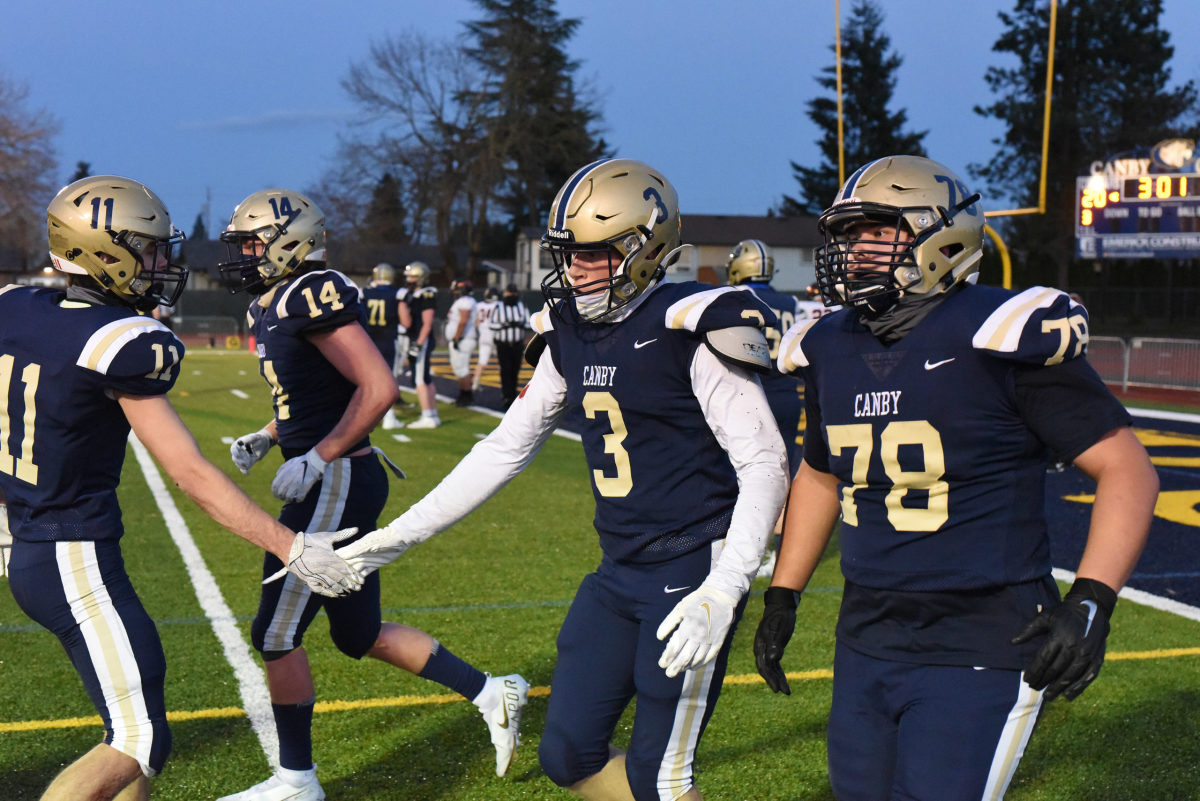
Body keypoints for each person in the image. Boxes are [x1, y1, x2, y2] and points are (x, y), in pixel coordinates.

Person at [340, 158, 789, 800]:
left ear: (644, 248)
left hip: (693, 563)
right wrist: (393, 539)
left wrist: (726, 584)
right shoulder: (568, 331)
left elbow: (764, 464)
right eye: (567, 254)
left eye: (593, 254)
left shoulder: (689, 325)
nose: (574, 269)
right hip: (618, 568)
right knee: (567, 753)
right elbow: (504, 448)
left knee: (662, 778)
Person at [753, 155, 1159, 801]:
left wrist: (1091, 599)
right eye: (850, 234)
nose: (856, 250)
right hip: (868, 630)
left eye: (876, 231)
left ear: (938, 235)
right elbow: (821, 473)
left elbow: (1127, 469)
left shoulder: (1000, 333)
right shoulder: (830, 343)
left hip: (984, 632)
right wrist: (783, 594)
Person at [0, 175, 361, 801]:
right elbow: (190, 474)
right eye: (147, 249)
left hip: (29, 544)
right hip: (72, 554)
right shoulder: (121, 340)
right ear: (104, 253)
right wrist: (292, 546)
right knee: (140, 740)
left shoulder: (16, 307)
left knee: (126, 734)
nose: (161, 263)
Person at [216, 189, 527, 800]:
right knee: (357, 636)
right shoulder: (269, 305)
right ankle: (494, 692)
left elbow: (378, 387)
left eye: (254, 243)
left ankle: (296, 781)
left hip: (336, 480)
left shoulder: (312, 291)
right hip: (331, 476)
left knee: (275, 635)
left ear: (289, 240)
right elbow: (312, 396)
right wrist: (270, 434)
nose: (245, 255)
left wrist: (318, 455)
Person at [726, 238, 803, 579]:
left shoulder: (736, 299)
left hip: (756, 391)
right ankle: (781, 551)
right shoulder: (789, 301)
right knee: (786, 474)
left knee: (747, 471)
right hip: (787, 393)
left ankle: (749, 546)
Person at [361, 262, 406, 430]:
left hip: (369, 341)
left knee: (369, 380)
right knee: (389, 380)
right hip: (389, 340)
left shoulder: (365, 293)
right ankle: (389, 417)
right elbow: (406, 321)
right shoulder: (397, 294)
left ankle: (368, 417)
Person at [399, 261, 441, 429]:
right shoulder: (414, 294)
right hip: (416, 339)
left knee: (419, 379)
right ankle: (432, 414)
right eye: (408, 276)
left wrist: (419, 343)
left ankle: (427, 416)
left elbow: (427, 323)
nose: (409, 279)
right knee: (425, 378)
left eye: (413, 276)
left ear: (422, 277)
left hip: (420, 340)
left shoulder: (427, 293)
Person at [488, 283, 531, 410]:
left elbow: (529, 323)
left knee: (515, 370)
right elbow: (492, 324)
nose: (511, 296)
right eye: (509, 293)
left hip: (517, 344)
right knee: (505, 370)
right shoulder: (498, 306)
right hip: (503, 344)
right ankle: (507, 396)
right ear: (505, 294)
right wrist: (505, 325)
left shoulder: (521, 306)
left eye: (513, 293)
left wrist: (519, 325)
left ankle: (512, 395)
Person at [445, 278, 478, 407]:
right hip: (461, 339)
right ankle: (463, 394)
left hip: (463, 340)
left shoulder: (465, 301)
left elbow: (463, 321)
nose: (455, 292)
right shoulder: (463, 301)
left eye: (457, 289)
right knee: (459, 368)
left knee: (462, 368)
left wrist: (456, 338)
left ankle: (467, 396)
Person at [471, 286, 501, 393]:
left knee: (482, 362)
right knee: (504, 362)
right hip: (497, 337)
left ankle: (475, 382)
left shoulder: (478, 305)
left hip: (483, 336)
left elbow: (476, 322)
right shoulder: (499, 305)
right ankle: (505, 384)